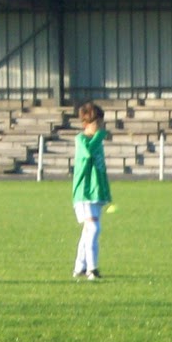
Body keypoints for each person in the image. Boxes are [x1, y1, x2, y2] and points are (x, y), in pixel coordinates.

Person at [71, 102, 111, 279]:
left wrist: (105, 191)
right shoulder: (82, 140)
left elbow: (100, 168)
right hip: (85, 193)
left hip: (97, 192)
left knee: (88, 230)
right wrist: (99, 137)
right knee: (94, 228)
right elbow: (87, 154)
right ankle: (92, 269)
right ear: (86, 124)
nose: (100, 128)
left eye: (102, 124)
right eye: (97, 124)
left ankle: (80, 267)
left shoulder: (97, 141)